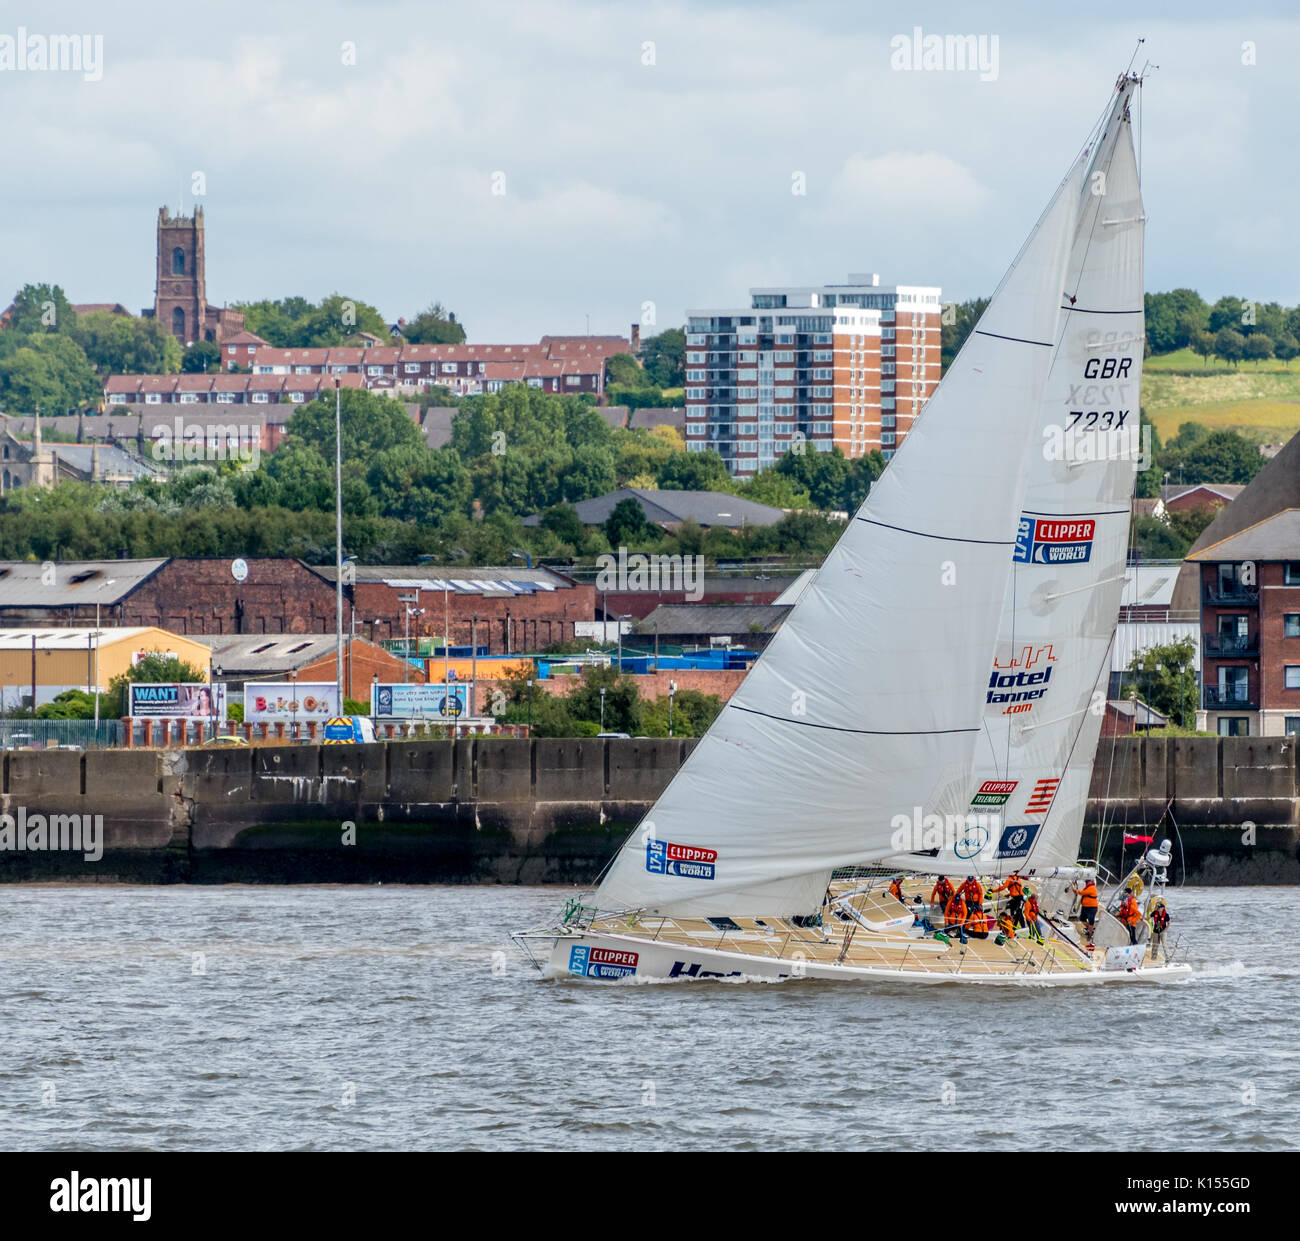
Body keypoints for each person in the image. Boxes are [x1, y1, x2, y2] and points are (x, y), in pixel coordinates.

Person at [1071, 875, 1099, 945]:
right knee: (1082, 919)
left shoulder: (1092, 888)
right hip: (1085, 907)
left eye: (1087, 882)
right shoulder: (1088, 887)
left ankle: (1090, 934)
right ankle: (1091, 929)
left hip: (1092, 908)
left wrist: (1074, 889)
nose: (1086, 883)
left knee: (1091, 921)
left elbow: (1081, 893)